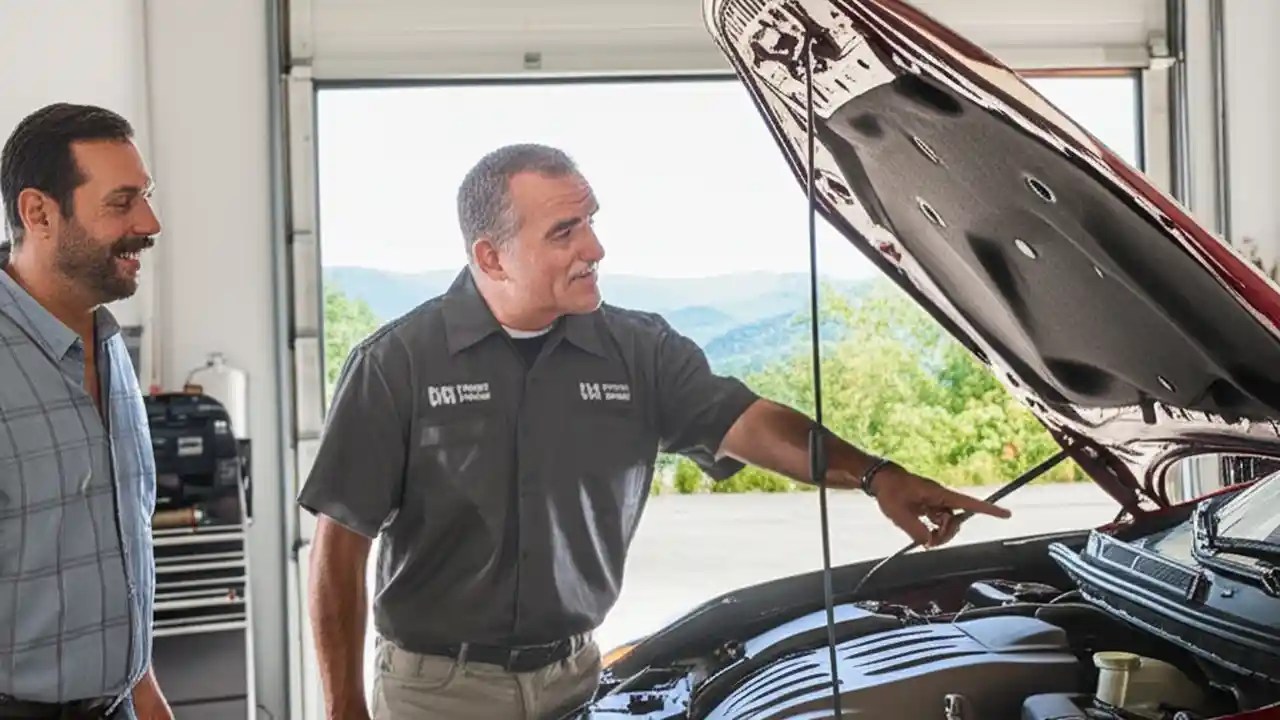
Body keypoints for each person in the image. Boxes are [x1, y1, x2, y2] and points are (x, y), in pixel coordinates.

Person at [298, 143, 1011, 720]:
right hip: (435, 695)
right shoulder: (396, 365)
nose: (596, 248)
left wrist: (875, 475)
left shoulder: (640, 352)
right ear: (491, 257)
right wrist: (341, 708)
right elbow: (338, 550)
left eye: (592, 221)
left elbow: (754, 425)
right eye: (565, 232)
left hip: (573, 679)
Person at [0, 104, 172, 719]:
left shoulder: (106, 342)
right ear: (39, 214)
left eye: (145, 196)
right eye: (121, 202)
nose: (149, 222)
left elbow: (119, 541)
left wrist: (143, 690)